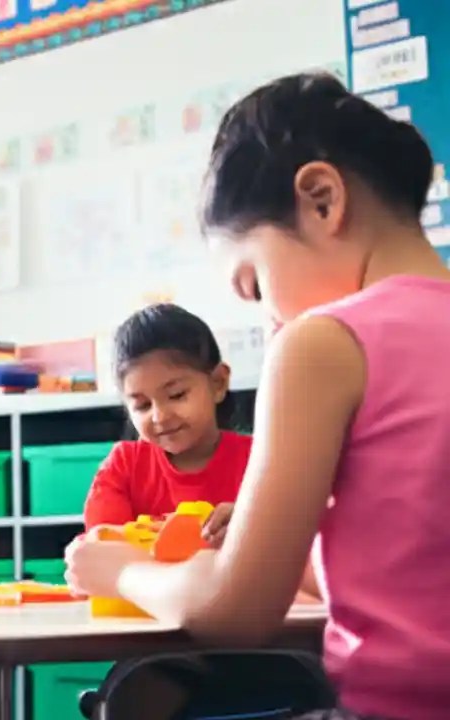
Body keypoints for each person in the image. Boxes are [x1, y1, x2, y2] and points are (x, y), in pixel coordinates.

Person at [65, 72, 450, 720]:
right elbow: (408, 573)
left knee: (135, 696)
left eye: (254, 284)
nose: (272, 322)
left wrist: (120, 571)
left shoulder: (322, 344)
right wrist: (264, 550)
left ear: (323, 199)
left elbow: (235, 613)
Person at [84, 303, 251, 546]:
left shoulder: (260, 460)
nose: (159, 417)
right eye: (143, 406)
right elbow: (100, 551)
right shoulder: (123, 467)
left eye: (176, 395)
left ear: (218, 383)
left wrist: (250, 525)